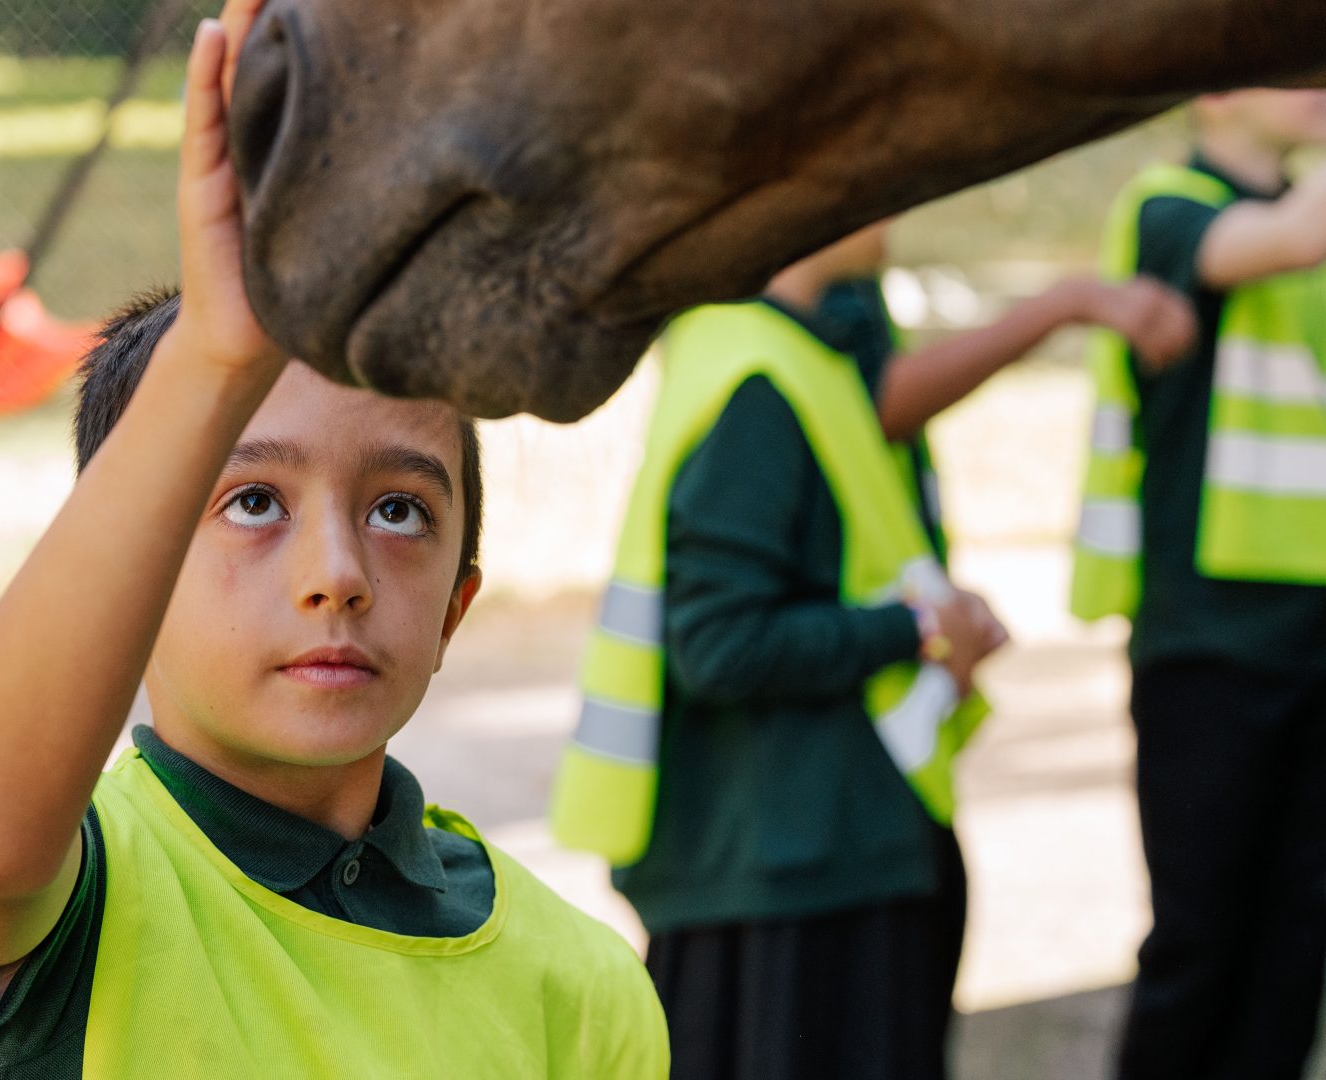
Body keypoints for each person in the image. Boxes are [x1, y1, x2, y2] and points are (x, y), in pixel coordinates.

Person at [0, 5, 669, 1077]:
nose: (336, 576)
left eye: (399, 510)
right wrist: (215, 353)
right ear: (132, 577)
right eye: (252, 502)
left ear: (456, 608)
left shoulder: (581, 986)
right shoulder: (79, 895)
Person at [551, 221, 1193, 1079]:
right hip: (792, 873)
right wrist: (918, 631)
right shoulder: (759, 377)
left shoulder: (806, 350)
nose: (905, 202)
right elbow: (720, 644)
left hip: (830, 853)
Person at [1071, 88, 1326, 1080]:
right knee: (1200, 944)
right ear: (1214, 84)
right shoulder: (1164, 205)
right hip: (1208, 646)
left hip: (1314, 641)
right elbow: (1286, 239)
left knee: (1294, 951)